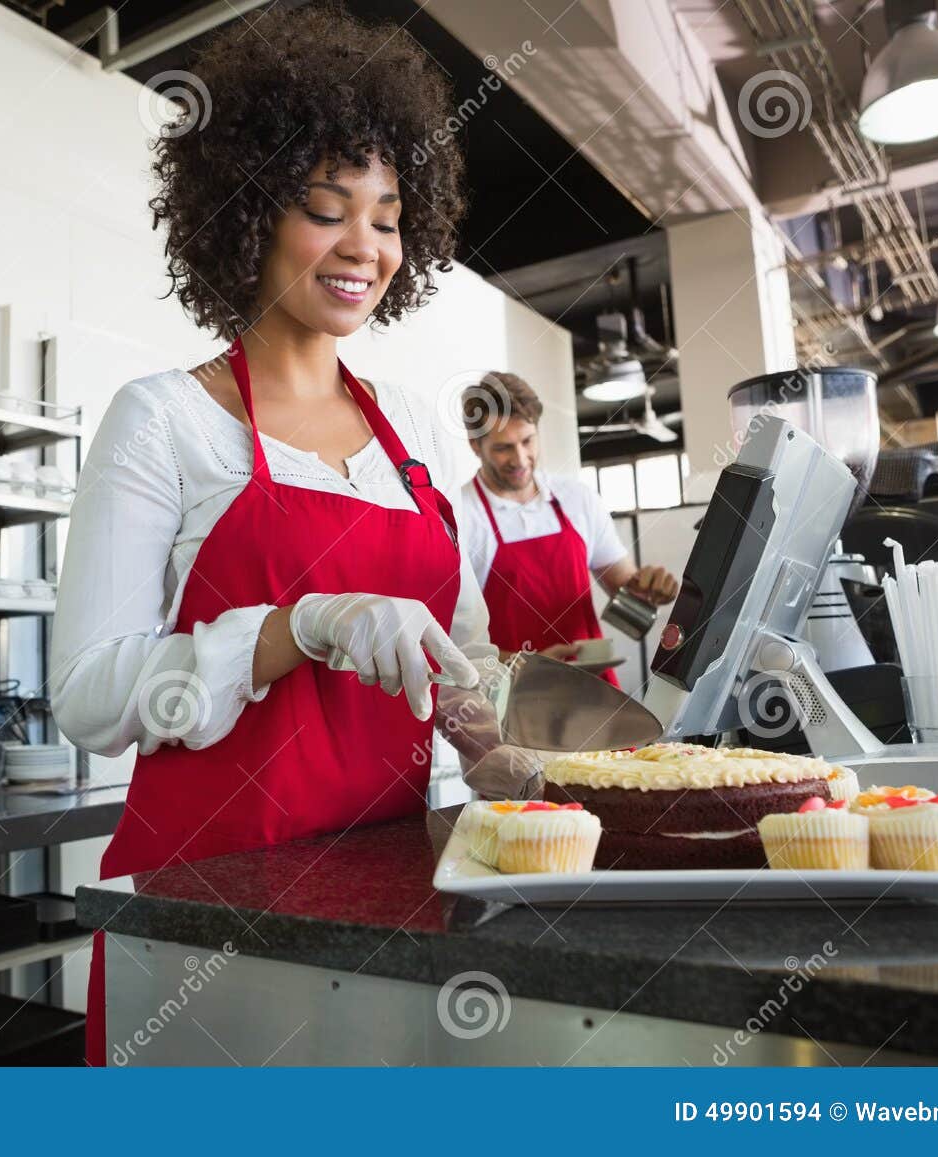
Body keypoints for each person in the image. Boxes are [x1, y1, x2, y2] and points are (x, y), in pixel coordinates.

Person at [50, 6, 537, 1068]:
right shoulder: (166, 417)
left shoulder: (410, 422)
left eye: (388, 215)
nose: (364, 246)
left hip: (387, 886)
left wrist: (502, 744)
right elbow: (88, 695)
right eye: (326, 208)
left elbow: (452, 650)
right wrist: (296, 627)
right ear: (248, 211)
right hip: (212, 901)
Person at [459, 372, 680, 686]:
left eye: (527, 441)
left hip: (592, 688)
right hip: (513, 697)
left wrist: (648, 589)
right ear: (475, 446)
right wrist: (526, 664)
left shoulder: (577, 498)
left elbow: (625, 587)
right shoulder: (460, 515)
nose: (520, 458)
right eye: (503, 448)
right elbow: (455, 643)